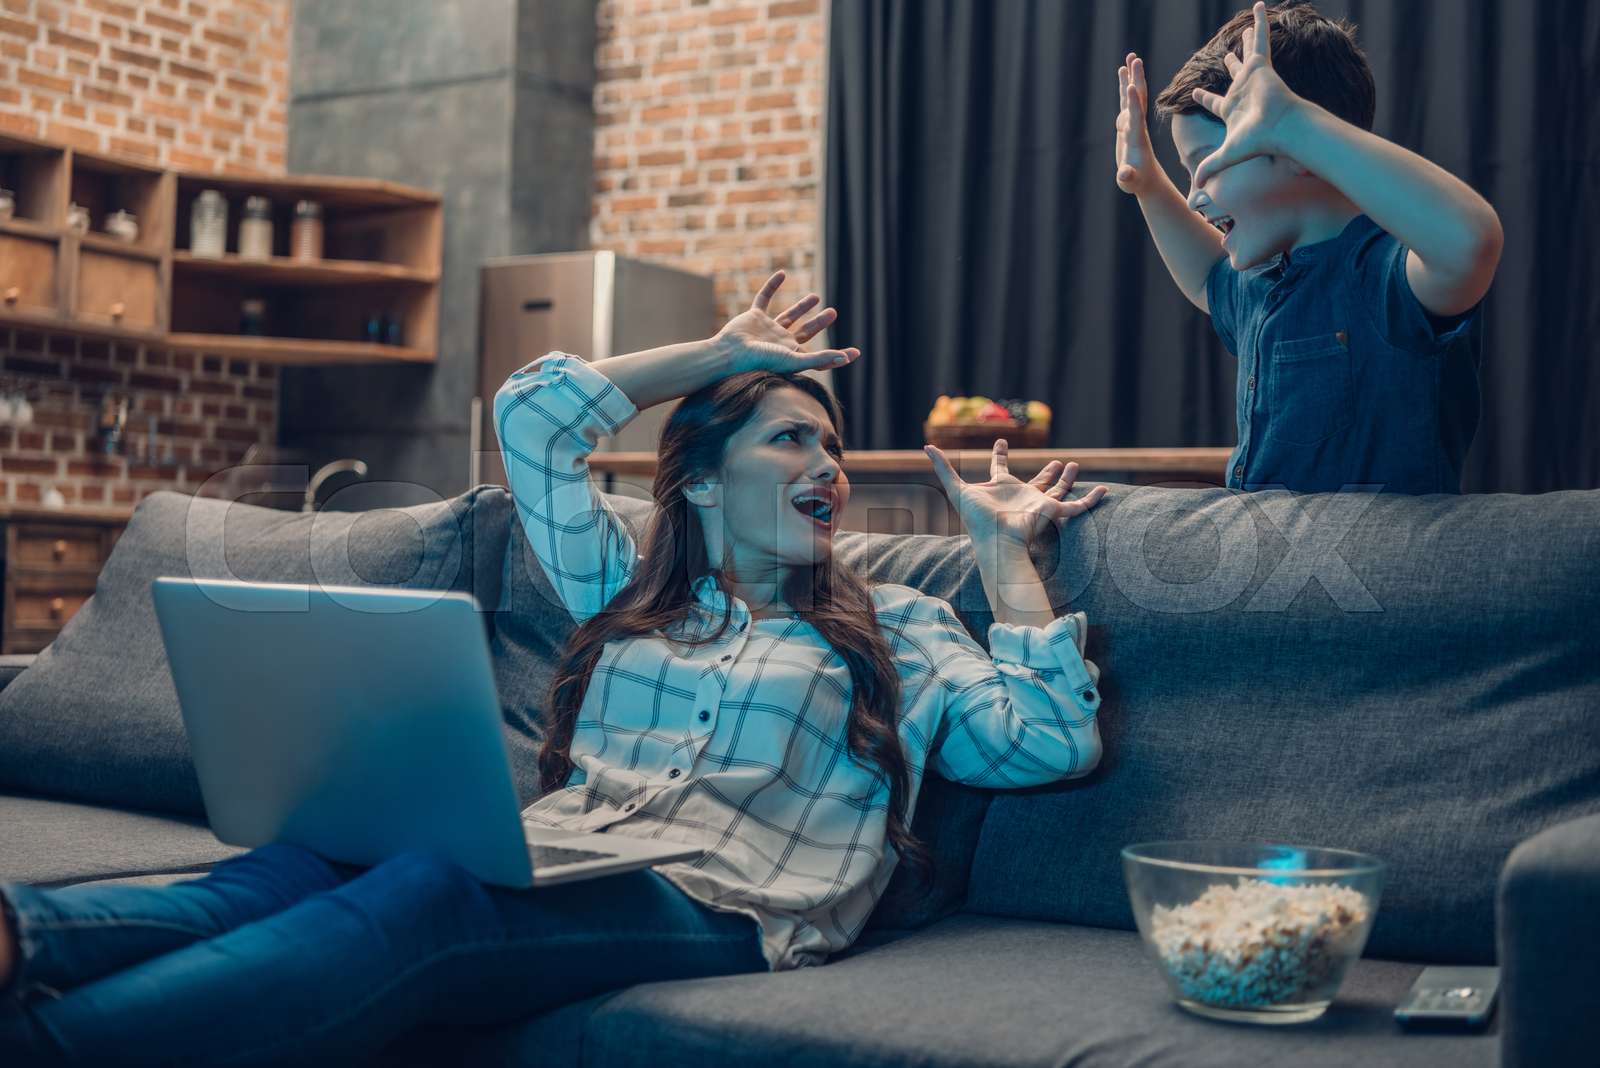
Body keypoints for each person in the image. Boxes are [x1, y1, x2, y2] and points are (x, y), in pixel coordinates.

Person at [0, 272, 1108, 1065]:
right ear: (706, 487)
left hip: (729, 905)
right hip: (559, 854)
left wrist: (1009, 562)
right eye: (788, 439)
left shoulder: (894, 624)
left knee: (429, 899)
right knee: (290, 870)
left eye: (830, 446)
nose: (825, 463)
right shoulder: (626, 593)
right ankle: (23, 936)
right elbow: (531, 420)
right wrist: (717, 356)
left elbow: (1046, 742)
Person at [1115, 1, 1503, 494]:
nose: (1194, 196)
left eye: (1207, 164)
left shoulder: (1387, 277)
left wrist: (1296, 125)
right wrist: (1148, 183)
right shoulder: (1260, 284)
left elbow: (1471, 240)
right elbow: (1205, 273)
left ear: (1298, 152)